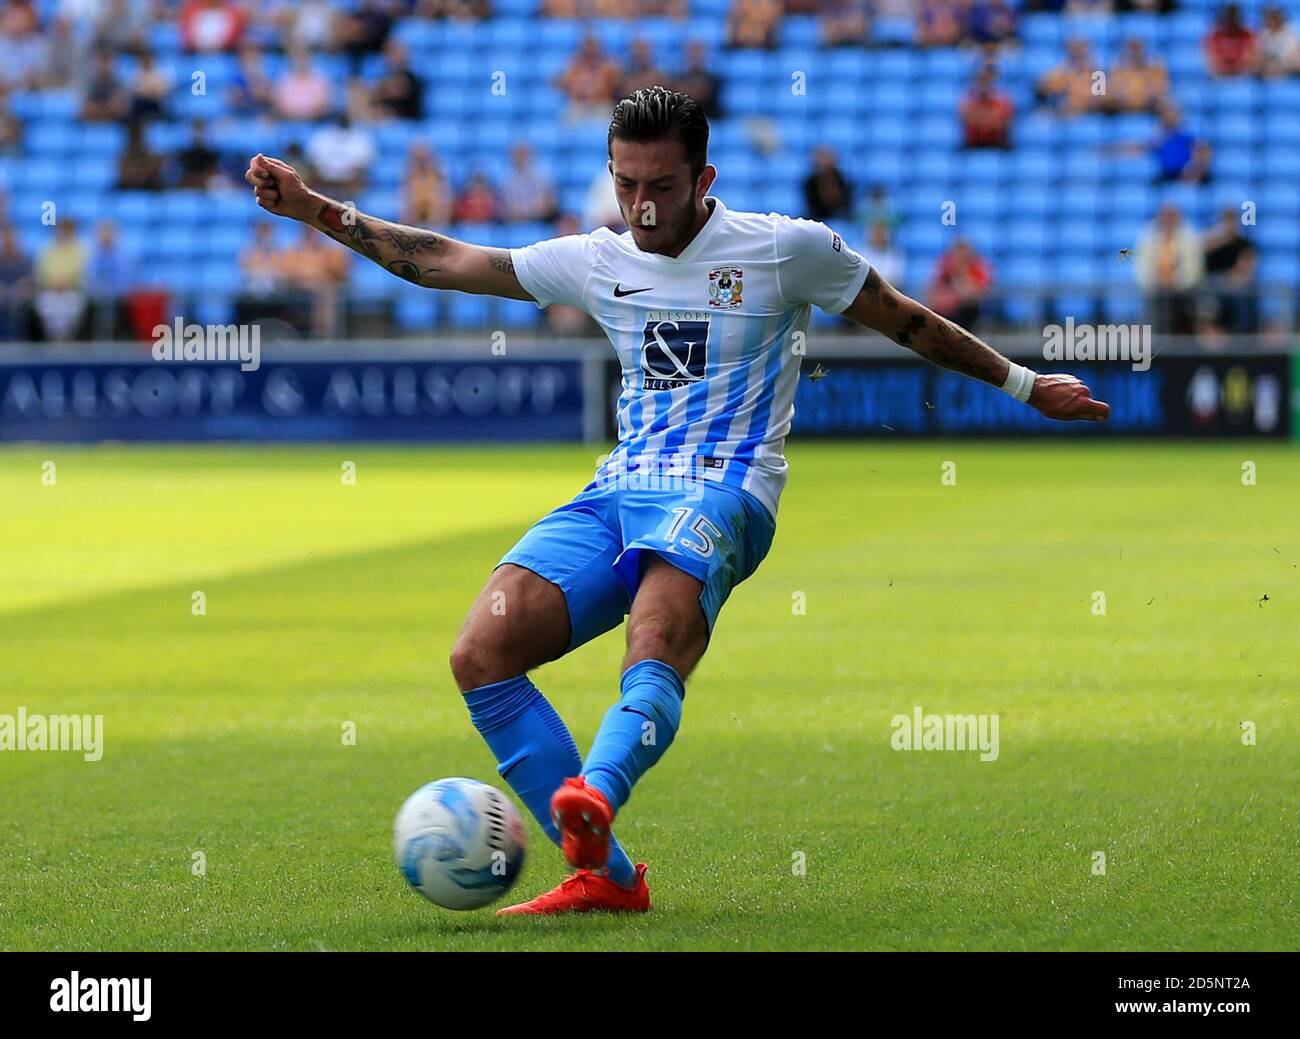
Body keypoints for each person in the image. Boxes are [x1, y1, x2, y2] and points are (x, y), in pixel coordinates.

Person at [245, 86, 1108, 916]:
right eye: (625, 185)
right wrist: (318, 209)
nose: (642, 208)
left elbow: (905, 319)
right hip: (620, 489)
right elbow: (444, 261)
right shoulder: (596, 258)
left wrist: (1028, 384)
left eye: (661, 187)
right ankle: (608, 877)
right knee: (481, 653)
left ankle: (594, 793)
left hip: (727, 488)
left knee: (653, 634)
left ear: (704, 181)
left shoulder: (784, 249)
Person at [1135, 204, 1204, 334]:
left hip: (1182, 292)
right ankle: (1156, 342)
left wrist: (1175, 282)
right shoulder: (1148, 237)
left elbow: (1193, 268)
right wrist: (1157, 281)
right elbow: (1142, 266)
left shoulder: (1189, 237)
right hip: (1156, 289)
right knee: (1156, 308)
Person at [1200, 207, 1257, 335]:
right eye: (1226, 222)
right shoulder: (1213, 243)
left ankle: (1241, 335)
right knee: (1206, 292)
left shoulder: (1244, 243)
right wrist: (1222, 240)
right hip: (1215, 282)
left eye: (1232, 221)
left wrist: (1234, 279)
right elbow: (1202, 256)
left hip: (1238, 282)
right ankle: (1210, 332)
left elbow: (1248, 267)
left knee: (1242, 294)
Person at [928, 237, 993, 330]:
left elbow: (975, 295)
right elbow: (934, 290)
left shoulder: (977, 268)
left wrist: (962, 275)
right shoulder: (945, 267)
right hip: (945, 310)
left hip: (967, 310)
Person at [960, 65, 1015, 149]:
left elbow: (1003, 121)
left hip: (997, 142)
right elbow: (966, 118)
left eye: (987, 81)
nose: (984, 85)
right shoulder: (968, 99)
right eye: (982, 81)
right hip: (973, 143)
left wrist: (982, 119)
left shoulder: (1002, 99)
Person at [1205, 4, 1258, 76]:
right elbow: (1212, 56)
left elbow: (1250, 55)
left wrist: (1237, 67)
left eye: (1234, 17)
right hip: (1220, 74)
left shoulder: (1246, 35)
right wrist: (1224, 67)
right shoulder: (1216, 35)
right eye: (1229, 16)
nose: (1231, 20)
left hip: (1242, 74)